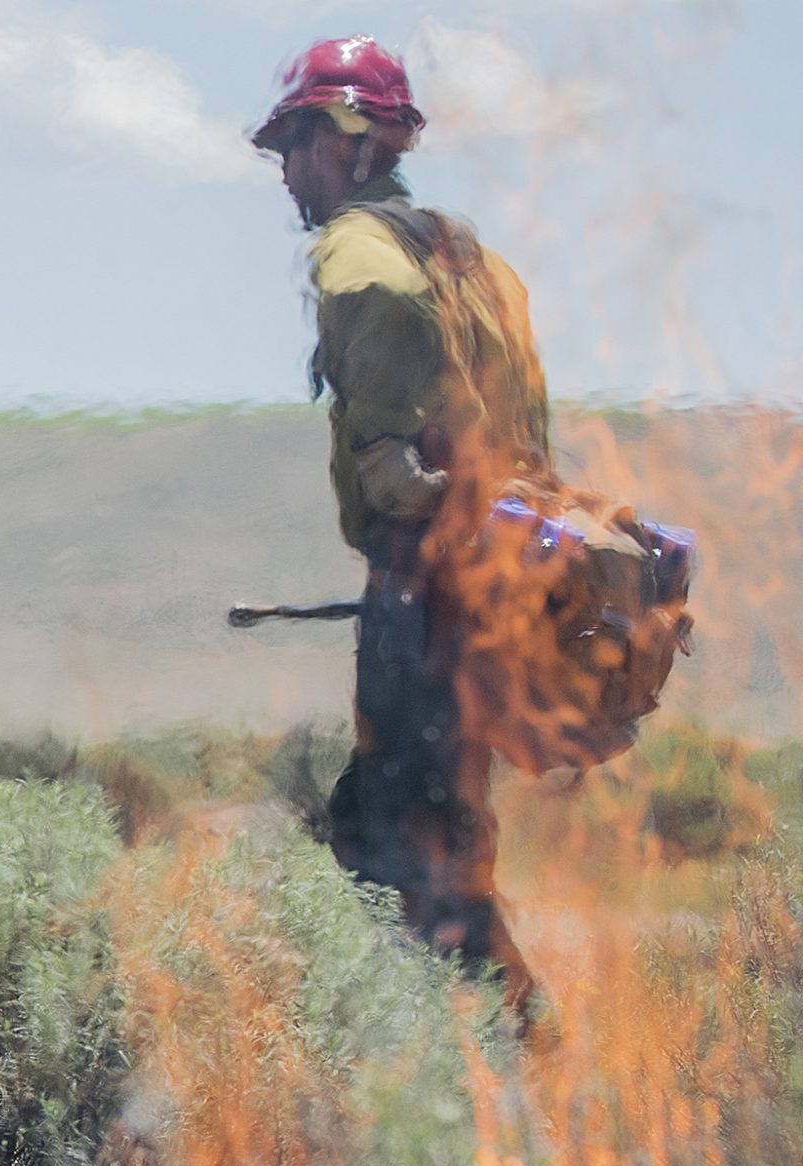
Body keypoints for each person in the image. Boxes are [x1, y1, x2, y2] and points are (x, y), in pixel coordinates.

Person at [251, 36, 541, 1014]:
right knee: (401, 827)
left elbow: (369, 310)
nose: (286, 168)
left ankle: (511, 1062)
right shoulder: (473, 260)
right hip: (489, 598)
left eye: (297, 140)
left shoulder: (360, 252)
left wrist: (394, 472)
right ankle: (474, 1061)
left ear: (352, 142)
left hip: (423, 597)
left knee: (401, 852)